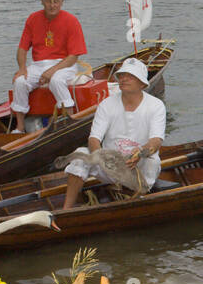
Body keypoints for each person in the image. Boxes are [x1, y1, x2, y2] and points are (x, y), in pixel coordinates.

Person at [62, 57, 166, 208]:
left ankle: (140, 198)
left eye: (130, 76)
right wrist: (102, 158)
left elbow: (156, 141)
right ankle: (66, 209)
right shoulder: (106, 104)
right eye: (122, 75)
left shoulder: (156, 106)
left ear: (142, 83)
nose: (124, 79)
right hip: (109, 164)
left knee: (153, 161)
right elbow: (94, 139)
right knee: (80, 155)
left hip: (138, 164)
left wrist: (140, 154)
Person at [11, 0, 88, 134]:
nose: (52, 5)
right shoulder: (33, 18)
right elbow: (22, 48)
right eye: (48, 1)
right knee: (20, 82)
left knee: (57, 80)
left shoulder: (71, 21)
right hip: (38, 65)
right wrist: (22, 68)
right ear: (42, 2)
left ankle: (70, 121)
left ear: (62, 2)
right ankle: (19, 128)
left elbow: (73, 57)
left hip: (64, 64)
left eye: (56, 1)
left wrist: (51, 72)